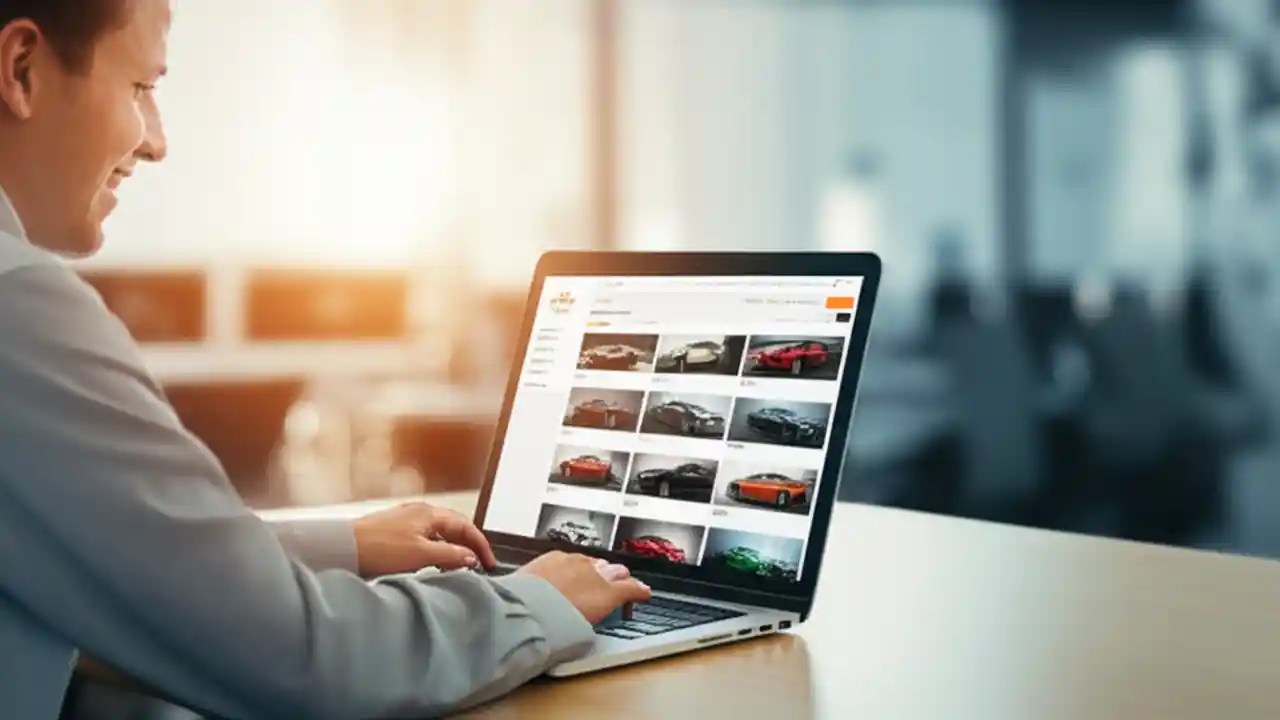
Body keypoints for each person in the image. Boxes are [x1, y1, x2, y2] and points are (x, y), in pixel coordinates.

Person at [0, 1, 650, 717]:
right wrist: (532, 603)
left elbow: (105, 551)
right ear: (22, 69)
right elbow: (297, 661)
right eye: (141, 89)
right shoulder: (20, 309)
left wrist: (337, 545)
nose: (156, 143)